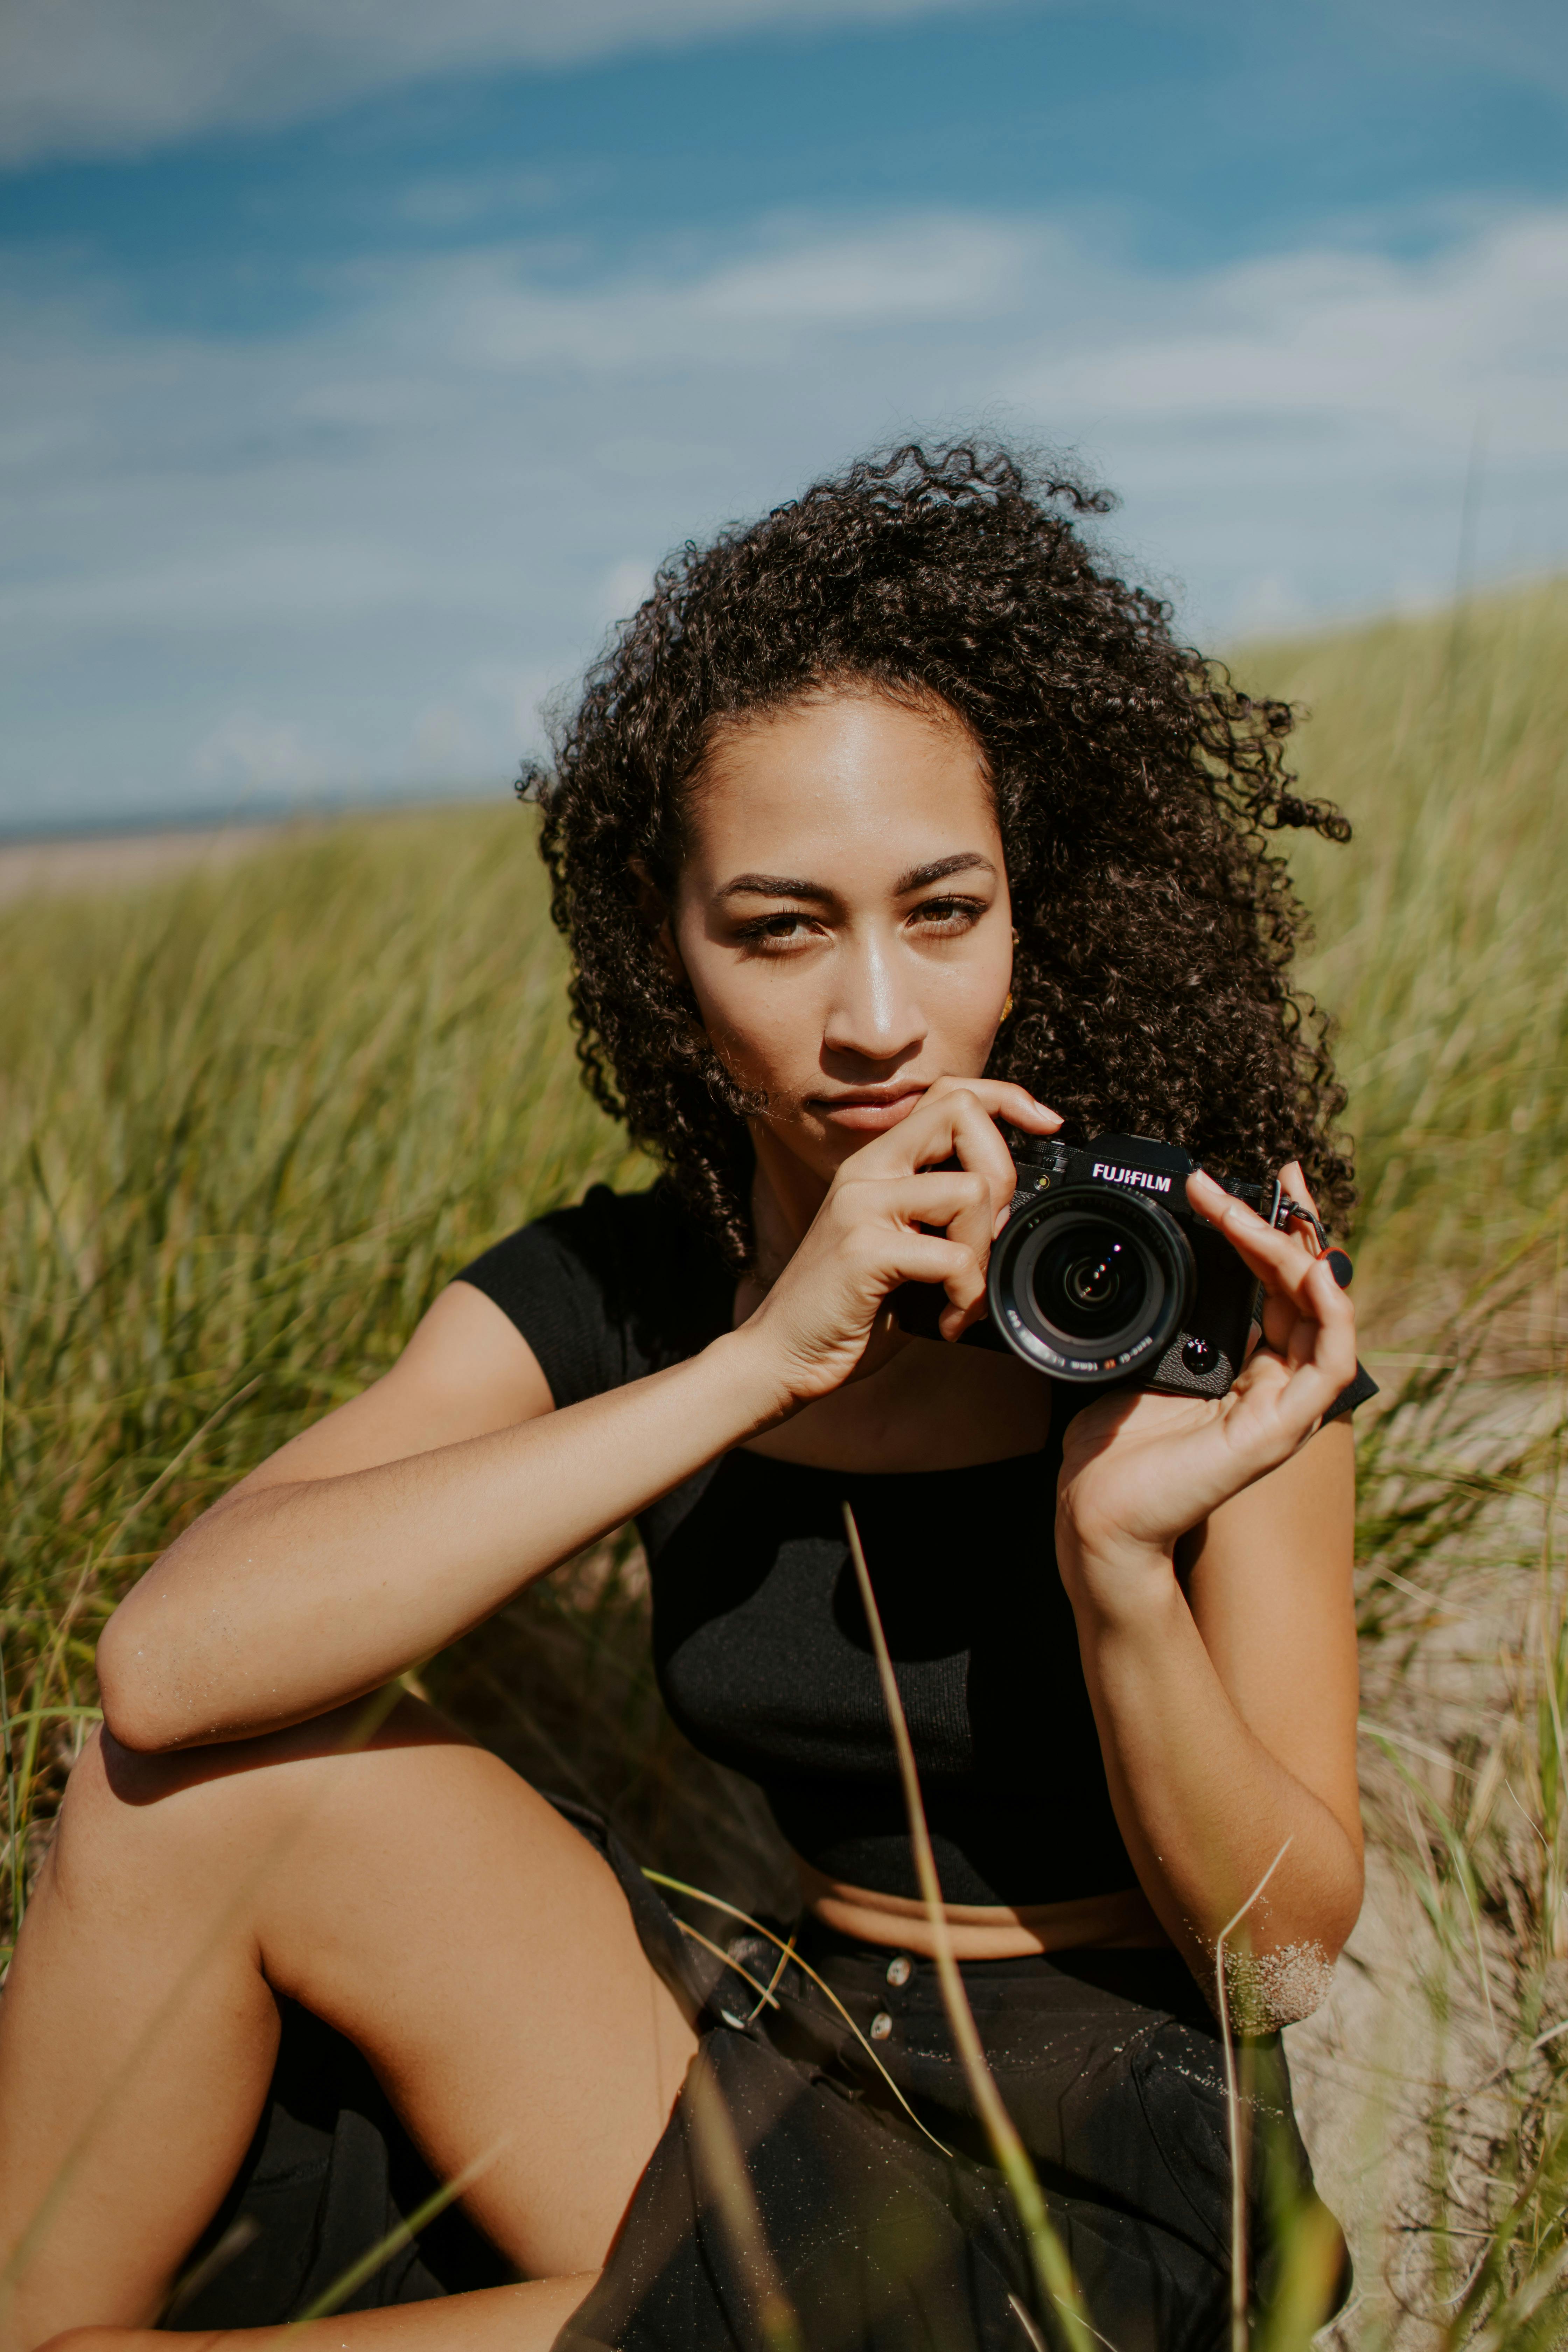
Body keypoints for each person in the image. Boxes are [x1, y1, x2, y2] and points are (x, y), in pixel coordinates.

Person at [0, 443, 1369, 2352]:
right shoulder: (635, 1291)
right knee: (169, 1806)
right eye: (784, 927)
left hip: (1092, 2170)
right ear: (671, 942)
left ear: (1032, 909)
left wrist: (1119, 1567)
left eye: (945, 912)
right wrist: (753, 1363)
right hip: (783, 2056)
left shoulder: (1181, 1288)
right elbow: (168, 1670)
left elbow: (1289, 1949)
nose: (878, 1017)